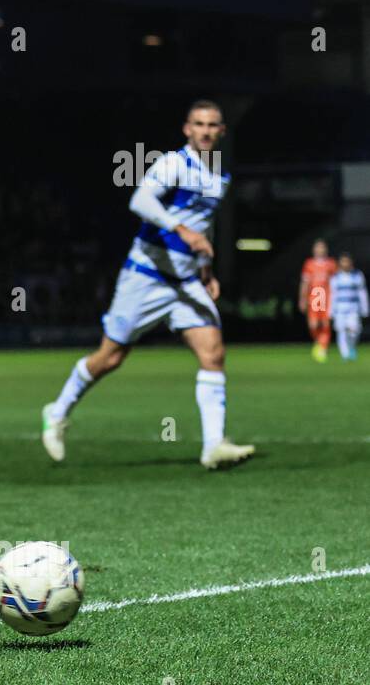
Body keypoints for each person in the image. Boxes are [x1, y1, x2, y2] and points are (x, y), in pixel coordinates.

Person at [41, 101, 254, 470]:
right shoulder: (173, 163)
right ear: (186, 129)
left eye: (212, 125)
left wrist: (206, 270)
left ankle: (213, 445)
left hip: (186, 281)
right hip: (146, 276)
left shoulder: (220, 177)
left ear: (222, 131)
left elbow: (203, 227)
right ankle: (57, 413)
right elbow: (139, 200)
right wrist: (180, 230)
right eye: (198, 124)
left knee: (213, 353)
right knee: (110, 358)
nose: (205, 131)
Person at [299, 239, 337, 363]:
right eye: (318, 248)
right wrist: (302, 299)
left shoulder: (331, 264)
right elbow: (305, 283)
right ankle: (319, 343)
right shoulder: (309, 264)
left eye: (322, 248)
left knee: (325, 324)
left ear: (325, 250)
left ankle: (322, 348)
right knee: (313, 325)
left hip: (327, 297)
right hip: (315, 297)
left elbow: (336, 282)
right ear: (314, 250)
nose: (320, 250)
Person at [330, 253, 368, 361]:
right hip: (340, 309)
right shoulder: (335, 277)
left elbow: (362, 293)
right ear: (340, 263)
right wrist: (331, 310)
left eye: (347, 261)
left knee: (354, 330)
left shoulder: (357, 275)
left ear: (351, 262)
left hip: (353, 308)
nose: (345, 264)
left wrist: (365, 308)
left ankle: (351, 347)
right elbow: (333, 295)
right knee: (341, 330)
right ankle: (345, 354)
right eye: (343, 261)